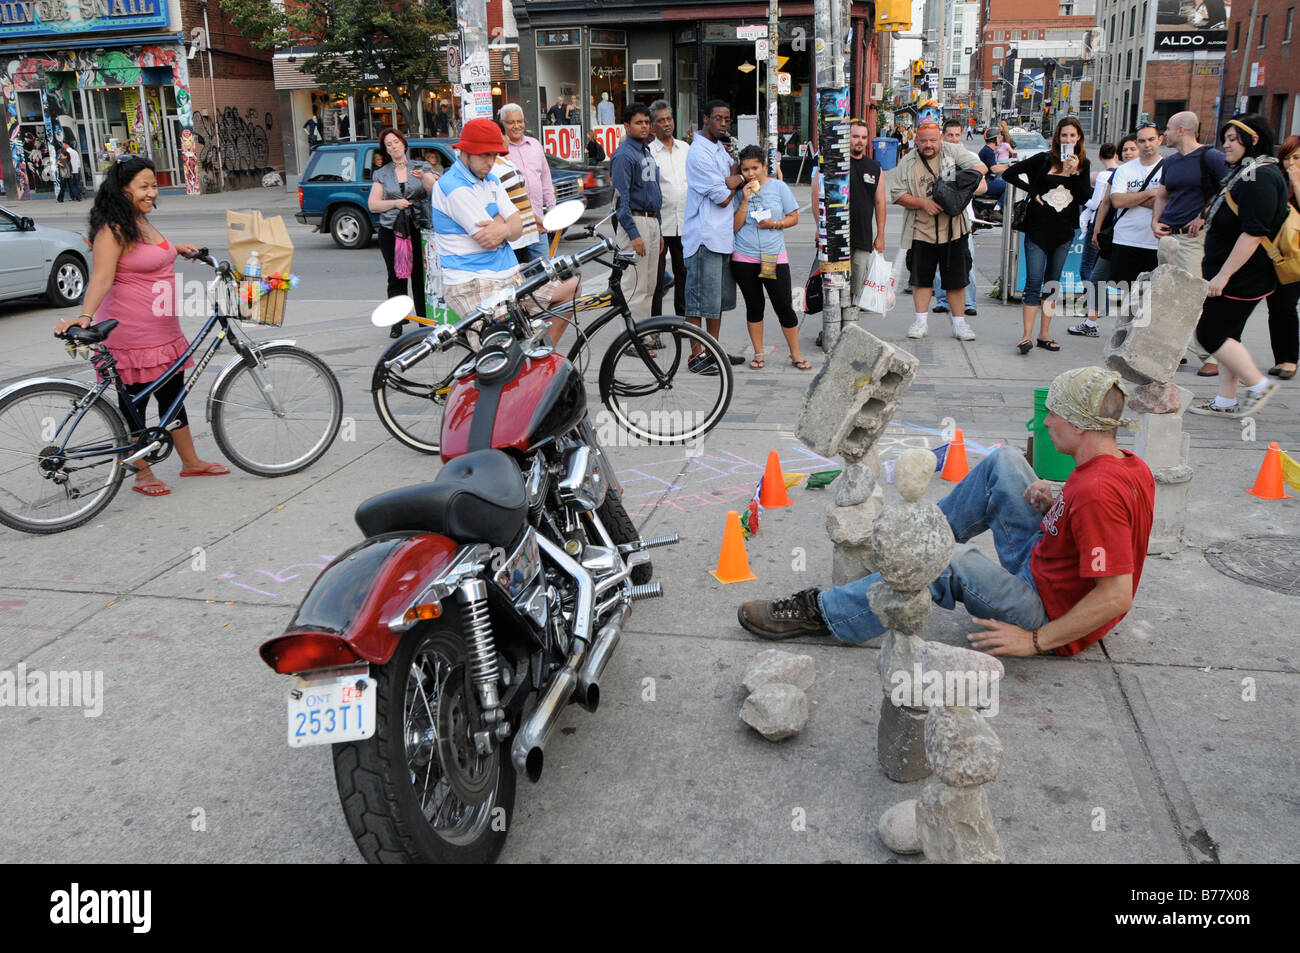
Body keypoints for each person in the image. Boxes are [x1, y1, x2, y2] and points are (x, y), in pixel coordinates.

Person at [738, 366, 1154, 659]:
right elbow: (1104, 512)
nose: (1044, 422)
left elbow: (1116, 596)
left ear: (1081, 426)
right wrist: (1061, 496)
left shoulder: (1098, 493)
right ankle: (907, 548)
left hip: (1046, 610)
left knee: (941, 563)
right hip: (1048, 564)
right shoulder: (1125, 465)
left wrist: (1037, 640)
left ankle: (827, 614)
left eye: (1054, 413)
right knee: (1004, 461)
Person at [52, 156, 228, 497]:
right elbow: (102, 277)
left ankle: (190, 462)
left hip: (163, 331)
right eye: (143, 186)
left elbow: (148, 255)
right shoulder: (112, 230)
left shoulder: (139, 220)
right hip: (130, 334)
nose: (152, 192)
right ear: (123, 190)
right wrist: (85, 317)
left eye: (154, 184)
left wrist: (176, 249)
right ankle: (141, 474)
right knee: (135, 404)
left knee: (173, 397)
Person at [429, 118, 577, 347]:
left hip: (508, 275)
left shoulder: (491, 180)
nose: (491, 161)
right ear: (465, 152)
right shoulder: (453, 186)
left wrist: (505, 226)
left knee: (571, 287)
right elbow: (488, 239)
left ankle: (546, 355)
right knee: (500, 356)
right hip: (473, 281)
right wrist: (507, 223)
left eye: (494, 155)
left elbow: (517, 228)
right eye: (484, 155)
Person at [1186, 115, 1289, 418]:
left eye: (1233, 139)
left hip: (1243, 276)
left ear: (1253, 141)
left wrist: (1223, 275)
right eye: (1226, 138)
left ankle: (1258, 385)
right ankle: (1226, 400)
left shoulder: (1261, 176)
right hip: (1236, 273)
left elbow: (1254, 232)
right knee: (1230, 336)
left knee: (1209, 334)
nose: (1226, 145)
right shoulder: (1247, 172)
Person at [887, 119, 987, 340]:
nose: (928, 145)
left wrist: (958, 186)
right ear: (916, 141)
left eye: (933, 140)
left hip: (953, 229)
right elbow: (896, 194)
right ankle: (920, 322)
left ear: (940, 138)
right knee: (921, 279)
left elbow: (981, 168)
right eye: (923, 141)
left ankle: (960, 324)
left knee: (957, 279)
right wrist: (923, 203)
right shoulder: (908, 162)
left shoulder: (952, 152)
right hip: (920, 230)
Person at [1002, 117, 1092, 354]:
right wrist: (1033, 192)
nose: (1068, 140)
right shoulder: (1043, 160)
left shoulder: (1083, 165)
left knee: (1052, 283)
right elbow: (1009, 174)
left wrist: (1073, 174)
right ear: (1057, 138)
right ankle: (1026, 336)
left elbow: (1084, 198)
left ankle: (1045, 334)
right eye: (1064, 135)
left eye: (1073, 136)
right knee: (1033, 282)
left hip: (1063, 232)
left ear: (1079, 138)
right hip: (1037, 230)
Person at [1150, 111, 1230, 377]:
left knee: (1195, 296)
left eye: (1168, 129)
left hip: (1193, 239)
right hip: (1168, 236)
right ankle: (1175, 350)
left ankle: (1210, 356)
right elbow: (1162, 194)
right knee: (1168, 296)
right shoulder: (1170, 162)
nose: (1165, 134)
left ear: (1182, 130)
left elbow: (1228, 189)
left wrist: (1203, 215)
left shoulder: (1212, 158)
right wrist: (1155, 221)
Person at [683, 99, 748, 373]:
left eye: (727, 119)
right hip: (703, 238)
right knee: (698, 303)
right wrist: (734, 179)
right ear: (706, 119)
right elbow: (722, 197)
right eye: (718, 118)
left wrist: (733, 178)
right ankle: (695, 357)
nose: (724, 123)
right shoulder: (699, 153)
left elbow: (734, 178)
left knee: (715, 303)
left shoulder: (720, 149)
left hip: (722, 237)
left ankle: (713, 351)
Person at [729, 144, 808, 370]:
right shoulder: (738, 192)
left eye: (755, 168)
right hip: (745, 257)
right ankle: (759, 354)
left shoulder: (778, 187)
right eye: (745, 170)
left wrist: (776, 224)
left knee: (783, 305)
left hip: (773, 256)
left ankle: (796, 354)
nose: (751, 174)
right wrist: (743, 200)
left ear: (764, 166)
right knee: (754, 306)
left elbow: (794, 216)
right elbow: (734, 227)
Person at [368, 127, 439, 338]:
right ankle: (396, 321)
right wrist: (394, 203)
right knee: (396, 277)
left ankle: (423, 322)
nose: (393, 147)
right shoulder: (382, 173)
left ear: (403, 143)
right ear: (386, 150)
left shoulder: (420, 166)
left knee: (419, 276)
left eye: (396, 142)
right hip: (393, 231)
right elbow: (373, 204)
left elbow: (435, 190)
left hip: (417, 227)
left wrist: (424, 176)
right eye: (389, 145)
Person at [1073, 135, 1139, 336]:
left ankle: (1134, 330)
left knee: (1134, 286)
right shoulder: (1118, 173)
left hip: (1140, 238)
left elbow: (1123, 200)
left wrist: (1128, 197)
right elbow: (1108, 202)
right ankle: (1090, 323)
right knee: (1097, 278)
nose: (1129, 153)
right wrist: (1097, 229)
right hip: (1114, 236)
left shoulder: (1152, 173)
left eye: (1132, 149)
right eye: (1125, 149)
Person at [610, 103, 663, 323]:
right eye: (638, 122)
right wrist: (633, 234)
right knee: (635, 284)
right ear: (626, 125)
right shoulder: (623, 155)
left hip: (651, 221)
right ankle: (632, 338)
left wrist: (658, 229)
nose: (644, 126)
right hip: (635, 220)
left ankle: (645, 333)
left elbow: (654, 192)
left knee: (650, 284)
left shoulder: (645, 151)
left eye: (646, 122)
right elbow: (621, 200)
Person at [1105, 123, 1165, 313]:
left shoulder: (1169, 168)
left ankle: (1141, 339)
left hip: (1154, 242)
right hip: (1125, 239)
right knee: (1124, 297)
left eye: (1151, 139)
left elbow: (1168, 206)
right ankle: (1123, 338)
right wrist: (1150, 193)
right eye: (1142, 141)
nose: (1146, 144)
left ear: (1160, 140)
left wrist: (1132, 196)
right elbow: (1117, 201)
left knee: (1150, 298)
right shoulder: (1124, 170)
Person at [932, 119, 985, 329]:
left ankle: (969, 303)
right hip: (939, 217)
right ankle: (943, 300)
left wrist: (963, 186)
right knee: (939, 263)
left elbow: (983, 186)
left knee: (966, 263)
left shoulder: (970, 158)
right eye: (950, 135)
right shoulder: (940, 157)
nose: (953, 139)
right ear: (943, 136)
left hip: (964, 218)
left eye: (957, 135)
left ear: (962, 136)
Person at [1067, 141, 1120, 337]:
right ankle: (1095, 314)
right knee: (1099, 272)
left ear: (1099, 157)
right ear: (1117, 154)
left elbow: (1097, 202)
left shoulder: (1104, 176)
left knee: (1089, 269)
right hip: (1112, 229)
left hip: (1100, 228)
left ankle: (1095, 311)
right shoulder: (1119, 173)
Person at [842, 120, 887, 326]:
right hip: (836, 237)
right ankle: (833, 325)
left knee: (856, 287)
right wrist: (819, 227)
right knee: (835, 286)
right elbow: (817, 194)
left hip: (862, 237)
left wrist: (881, 235)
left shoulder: (874, 167)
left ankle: (850, 327)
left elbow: (880, 202)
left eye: (863, 137)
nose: (859, 141)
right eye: (855, 136)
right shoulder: (836, 163)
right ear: (847, 138)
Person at [501, 103, 555, 263]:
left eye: (520, 121)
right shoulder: (500, 150)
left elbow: (546, 180)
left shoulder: (535, 145)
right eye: (511, 122)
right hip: (512, 227)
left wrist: (552, 212)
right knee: (516, 277)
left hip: (538, 225)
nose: (517, 126)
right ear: (502, 123)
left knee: (545, 275)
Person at [649, 100, 688, 319]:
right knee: (656, 278)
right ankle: (655, 324)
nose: (666, 124)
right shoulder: (649, 153)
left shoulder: (685, 148)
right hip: (660, 225)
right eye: (661, 121)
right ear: (653, 126)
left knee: (684, 273)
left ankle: (682, 321)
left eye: (669, 119)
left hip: (685, 223)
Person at [1265, 135, 1300, 380]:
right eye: (1286, 158)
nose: (1290, 164)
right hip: (1275, 252)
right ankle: (1281, 358)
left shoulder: (1294, 182)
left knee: (1286, 306)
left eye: (1296, 157)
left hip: (1297, 254)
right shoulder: (1278, 181)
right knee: (1275, 307)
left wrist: (1297, 182)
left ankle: (1290, 359)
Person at [490, 121, 542, 267]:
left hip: (526, 235)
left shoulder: (506, 161)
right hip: (512, 241)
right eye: (504, 134)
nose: (507, 139)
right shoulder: (492, 167)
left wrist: (534, 219)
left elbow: (519, 198)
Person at [976, 127, 1009, 214]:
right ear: (994, 139)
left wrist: (1010, 166)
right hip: (986, 182)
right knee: (1008, 186)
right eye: (999, 137)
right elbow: (994, 169)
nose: (1000, 139)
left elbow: (995, 166)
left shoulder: (988, 150)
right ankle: (996, 210)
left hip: (986, 180)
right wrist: (1009, 167)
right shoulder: (988, 152)